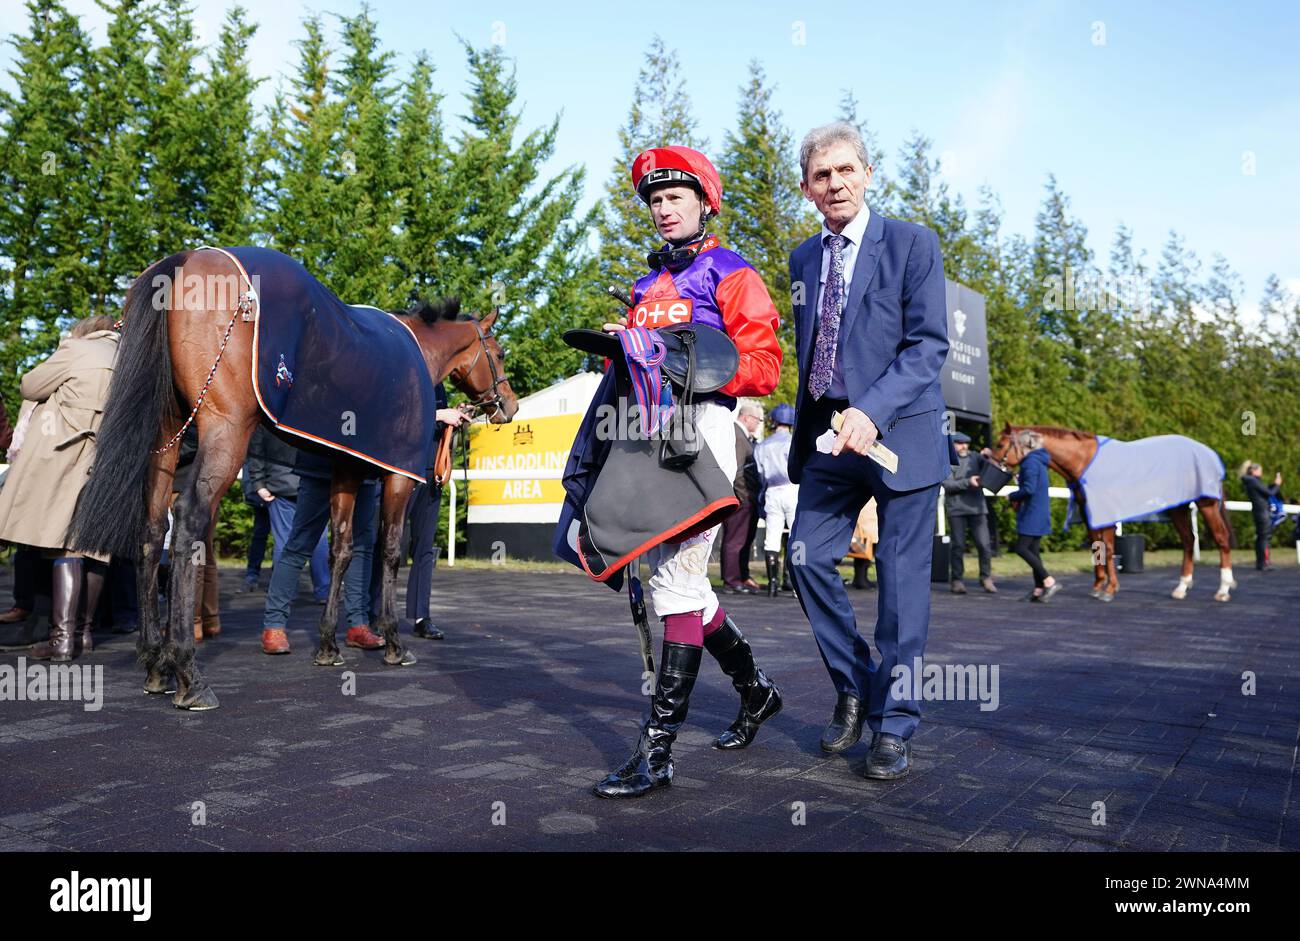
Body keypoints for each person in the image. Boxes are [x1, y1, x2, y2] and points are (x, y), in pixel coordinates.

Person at [592, 145, 784, 799]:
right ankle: (755, 691)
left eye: (674, 197)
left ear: (705, 203)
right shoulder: (647, 285)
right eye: (654, 200)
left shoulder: (732, 272)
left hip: (708, 433)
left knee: (674, 577)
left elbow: (763, 363)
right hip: (649, 437)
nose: (663, 209)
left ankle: (658, 752)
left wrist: (679, 355)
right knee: (684, 584)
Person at [786, 121, 951, 781]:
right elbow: (817, 354)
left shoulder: (913, 244)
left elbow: (928, 346)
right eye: (822, 175)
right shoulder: (803, 257)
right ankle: (857, 683)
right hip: (832, 439)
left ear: (868, 174)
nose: (836, 184)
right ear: (807, 188)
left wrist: (873, 410)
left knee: (901, 586)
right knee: (805, 555)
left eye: (846, 170)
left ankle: (894, 723)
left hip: (902, 435)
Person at [0, 316, 119, 661]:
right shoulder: (130, 360)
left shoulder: (77, 349)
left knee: (63, 547)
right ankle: (83, 636)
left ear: (86, 329)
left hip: (67, 457)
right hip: (109, 462)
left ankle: (62, 640)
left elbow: (30, 385)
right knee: (95, 549)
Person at [258, 446, 384, 655]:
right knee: (299, 545)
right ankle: (274, 626)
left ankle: (358, 625)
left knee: (361, 546)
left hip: (364, 464)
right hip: (321, 462)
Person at [405, 383, 470, 640]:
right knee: (386, 546)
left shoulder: (438, 383)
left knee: (424, 548)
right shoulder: (405, 365)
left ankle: (421, 616)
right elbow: (395, 411)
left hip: (432, 472)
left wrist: (453, 416)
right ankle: (373, 613)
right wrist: (440, 415)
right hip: (404, 470)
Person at [942, 432, 997, 594]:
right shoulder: (946, 460)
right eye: (959, 443)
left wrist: (990, 457)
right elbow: (947, 484)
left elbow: (993, 469)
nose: (964, 446)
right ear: (952, 445)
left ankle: (986, 577)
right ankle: (957, 580)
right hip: (956, 509)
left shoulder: (976, 457)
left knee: (984, 545)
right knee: (958, 546)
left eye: (966, 443)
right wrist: (968, 482)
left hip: (978, 508)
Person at [754, 403, 799, 597]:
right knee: (797, 536)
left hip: (772, 490)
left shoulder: (763, 445)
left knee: (771, 538)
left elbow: (760, 472)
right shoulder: (793, 442)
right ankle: (798, 584)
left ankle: (773, 585)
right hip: (792, 488)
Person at [1007, 430, 1058, 602]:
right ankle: (1038, 589)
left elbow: (1029, 489)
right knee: (1034, 551)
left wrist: (1012, 496)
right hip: (1039, 511)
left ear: (1023, 446)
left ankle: (1048, 581)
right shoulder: (1038, 461)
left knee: (1021, 548)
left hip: (1032, 512)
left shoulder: (1029, 463)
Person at [720, 400, 763, 594]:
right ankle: (731, 579)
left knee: (744, 539)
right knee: (735, 540)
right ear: (747, 417)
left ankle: (741, 575)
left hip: (746, 496)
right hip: (740, 497)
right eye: (758, 419)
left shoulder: (743, 436)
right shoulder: (738, 436)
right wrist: (743, 497)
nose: (759, 423)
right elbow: (736, 470)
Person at [1240, 461, 1282, 571]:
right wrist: (1277, 484)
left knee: (1261, 537)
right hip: (1262, 512)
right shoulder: (1253, 481)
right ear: (1253, 471)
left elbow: (1265, 491)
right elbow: (1270, 493)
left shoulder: (1251, 481)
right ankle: (1264, 563)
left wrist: (1273, 485)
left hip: (1259, 511)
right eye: (1259, 470)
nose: (1261, 472)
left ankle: (1261, 562)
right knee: (1264, 538)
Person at [240, 455, 272, 592]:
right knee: (262, 535)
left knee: (260, 535)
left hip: (264, 487)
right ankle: (252, 576)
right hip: (267, 488)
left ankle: (252, 576)